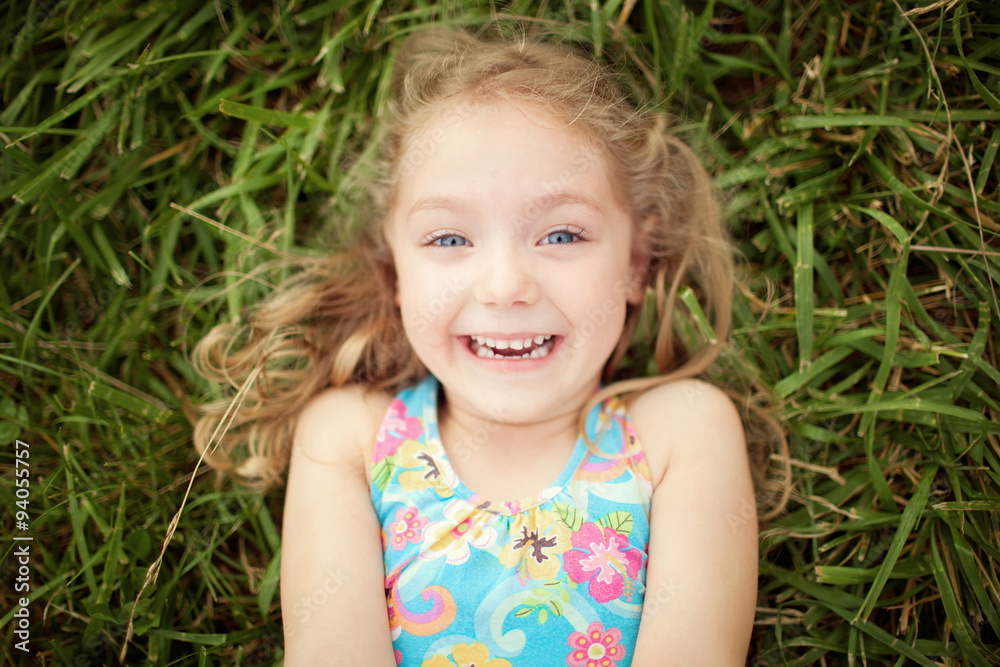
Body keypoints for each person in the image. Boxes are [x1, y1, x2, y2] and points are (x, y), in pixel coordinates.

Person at [193, 26, 760, 666]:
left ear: (637, 260)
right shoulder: (352, 439)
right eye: (448, 240)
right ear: (394, 276)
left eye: (562, 235)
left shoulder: (679, 434)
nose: (505, 286)